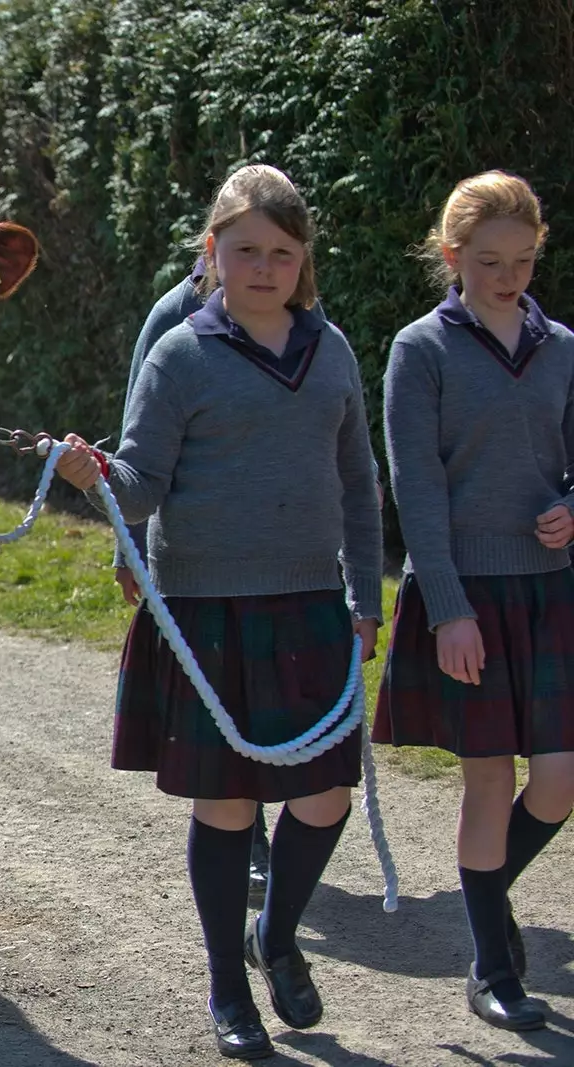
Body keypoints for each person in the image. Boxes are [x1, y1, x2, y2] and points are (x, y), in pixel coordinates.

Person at [56, 164, 382, 1059]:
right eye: (246, 250)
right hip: (206, 611)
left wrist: (366, 594)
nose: (265, 267)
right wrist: (94, 479)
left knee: (324, 797)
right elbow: (140, 482)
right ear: (215, 254)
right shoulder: (181, 353)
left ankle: (273, 935)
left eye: (282, 252)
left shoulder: (335, 352)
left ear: (303, 260)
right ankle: (229, 987)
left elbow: (359, 481)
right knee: (229, 805)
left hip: (311, 602)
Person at [374, 170, 574, 1033]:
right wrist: (449, 607)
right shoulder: (419, 350)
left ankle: (486, 909)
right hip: (464, 596)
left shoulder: (562, 344)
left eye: (524, 261)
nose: (508, 277)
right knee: (490, 780)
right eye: (489, 261)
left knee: (561, 781)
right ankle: (493, 963)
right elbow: (414, 490)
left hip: (550, 591)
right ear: (452, 257)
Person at [115, 257, 274, 903]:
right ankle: (250, 837)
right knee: (224, 699)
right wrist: (127, 549)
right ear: (212, 249)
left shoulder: (290, 320)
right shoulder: (173, 317)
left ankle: (263, 830)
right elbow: (136, 442)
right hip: (193, 555)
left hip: (276, 550)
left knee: (266, 693)